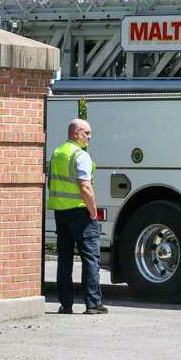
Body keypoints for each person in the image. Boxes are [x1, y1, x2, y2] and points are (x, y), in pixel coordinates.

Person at [47, 118, 107, 315]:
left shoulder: (57, 153)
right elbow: (85, 187)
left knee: (64, 259)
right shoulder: (80, 155)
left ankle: (65, 304)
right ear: (75, 133)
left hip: (60, 212)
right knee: (90, 258)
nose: (90, 137)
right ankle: (93, 304)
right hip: (80, 213)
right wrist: (93, 211)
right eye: (86, 133)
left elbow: (50, 183)